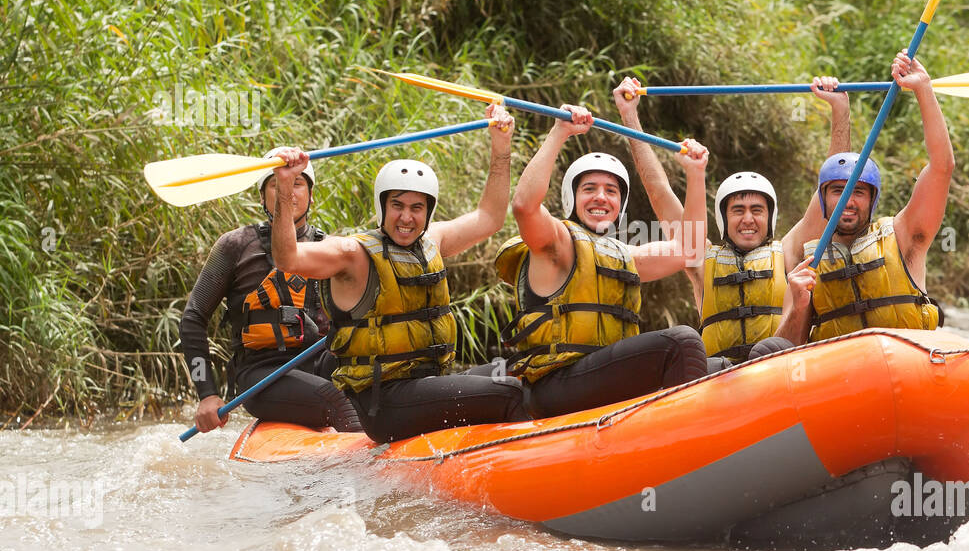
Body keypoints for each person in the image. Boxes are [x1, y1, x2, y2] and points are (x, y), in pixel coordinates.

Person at [267, 105, 528, 442]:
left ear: (428, 211)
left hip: (424, 386)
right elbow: (287, 258)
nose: (407, 217)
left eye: (416, 208)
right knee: (509, 393)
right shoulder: (353, 254)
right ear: (382, 208)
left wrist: (500, 147)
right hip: (385, 405)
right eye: (398, 206)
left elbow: (490, 217)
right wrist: (285, 186)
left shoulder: (433, 241)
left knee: (521, 371)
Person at [613, 74, 851, 366]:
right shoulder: (699, 256)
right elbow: (659, 191)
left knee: (769, 351)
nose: (748, 218)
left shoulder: (787, 251)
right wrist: (630, 115)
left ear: (770, 216)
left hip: (775, 371)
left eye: (757, 210)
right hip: (717, 379)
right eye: (738, 210)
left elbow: (833, 186)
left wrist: (840, 110)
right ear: (724, 218)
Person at [495, 104, 710, 418]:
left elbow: (691, 249)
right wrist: (560, 132)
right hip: (554, 383)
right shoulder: (556, 242)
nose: (601, 197)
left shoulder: (625, 257)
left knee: (716, 366)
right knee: (681, 343)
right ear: (572, 197)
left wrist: (696, 174)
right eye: (589, 189)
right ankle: (685, 442)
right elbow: (525, 206)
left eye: (611, 191)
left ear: (620, 205)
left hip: (601, 377)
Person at [775, 51, 952, 346]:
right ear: (822, 199)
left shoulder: (904, 235)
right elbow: (785, 349)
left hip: (909, 367)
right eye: (837, 192)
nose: (847, 200)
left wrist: (923, 89)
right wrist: (799, 306)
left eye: (857, 192)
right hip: (843, 376)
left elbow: (942, 168)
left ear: (872, 199)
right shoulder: (805, 260)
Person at [180, 154, 363, 434]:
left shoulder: (329, 248)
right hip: (261, 375)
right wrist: (206, 392)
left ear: (311, 196)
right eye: (277, 185)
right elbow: (193, 318)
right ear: (263, 197)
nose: (288, 191)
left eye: (297, 184)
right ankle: (366, 470)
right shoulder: (236, 246)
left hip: (321, 366)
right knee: (334, 399)